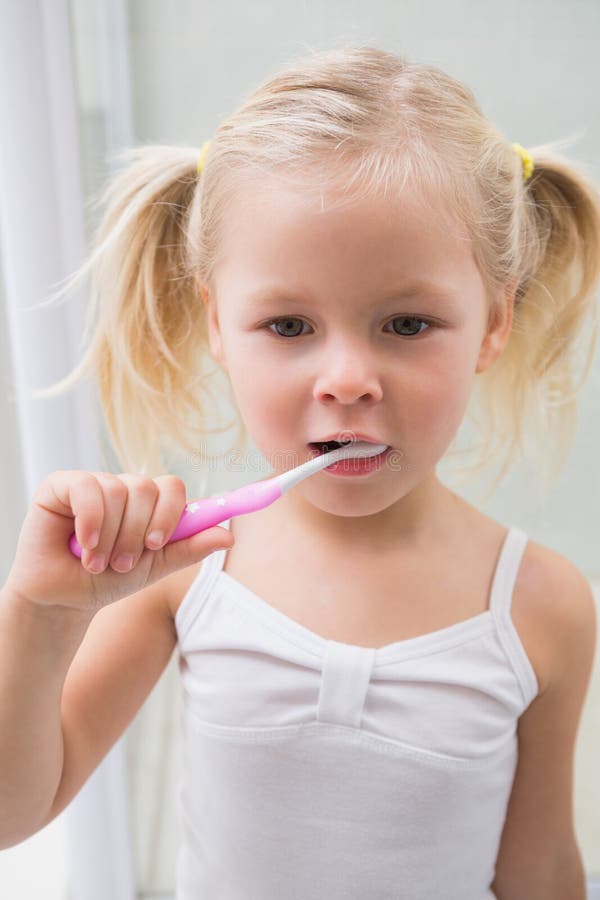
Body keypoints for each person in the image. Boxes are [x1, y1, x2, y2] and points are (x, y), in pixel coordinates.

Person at [0, 45, 598, 899]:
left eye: (407, 324)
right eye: (288, 326)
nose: (347, 380)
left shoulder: (542, 605)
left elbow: (539, 870)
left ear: (494, 322)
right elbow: (12, 813)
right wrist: (39, 615)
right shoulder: (184, 567)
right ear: (217, 321)